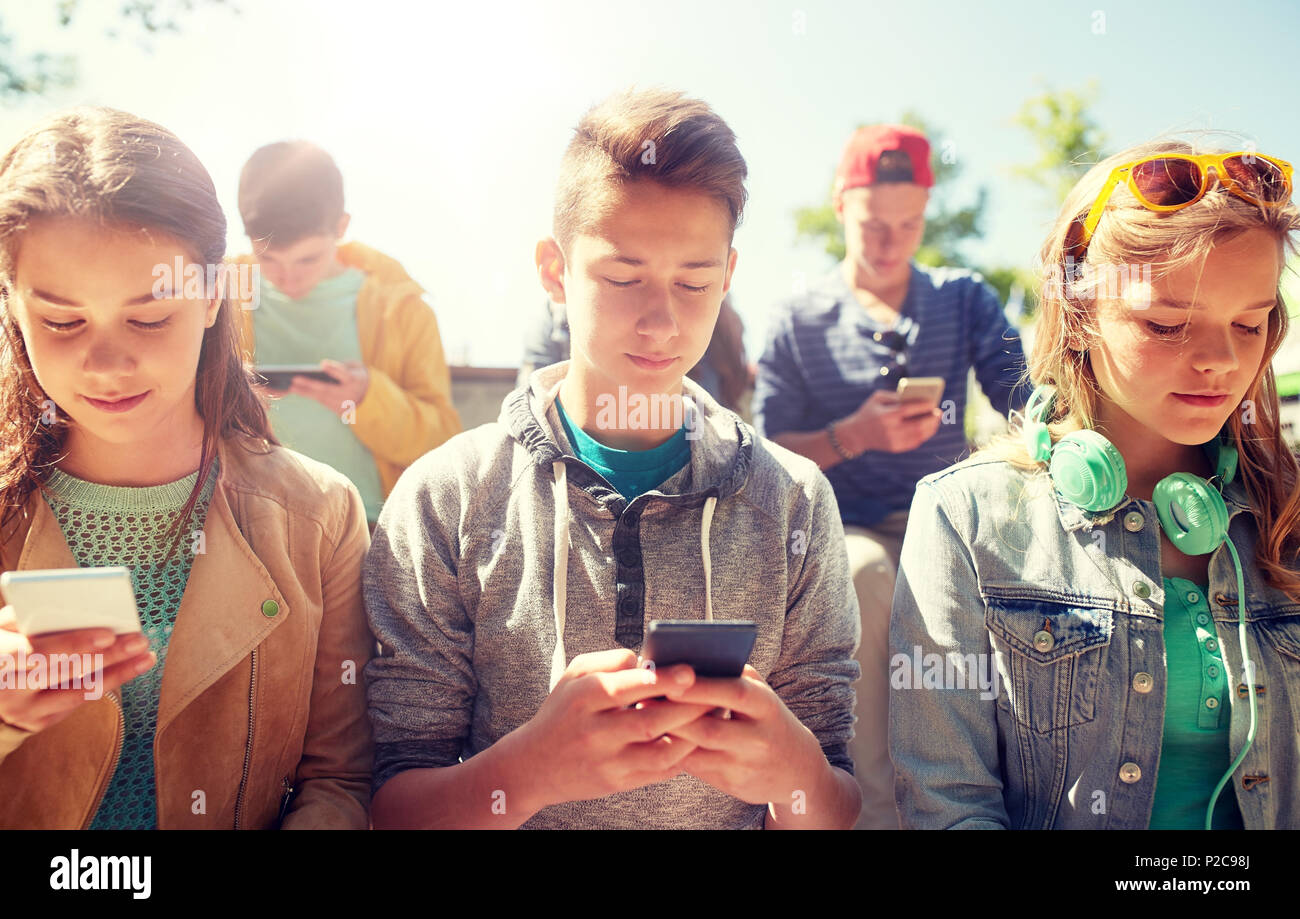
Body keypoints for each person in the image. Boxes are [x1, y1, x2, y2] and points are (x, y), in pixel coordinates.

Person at [363, 87, 862, 829]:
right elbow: (392, 805)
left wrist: (796, 777)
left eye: (694, 283)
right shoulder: (446, 498)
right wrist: (525, 773)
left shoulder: (792, 500)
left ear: (728, 276)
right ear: (554, 270)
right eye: (623, 278)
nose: (661, 320)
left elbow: (836, 799)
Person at [890, 138, 1300, 829]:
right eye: (1167, 324)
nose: (1222, 362)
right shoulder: (964, 514)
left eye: (1249, 323)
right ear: (1078, 312)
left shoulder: (1287, 512)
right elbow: (947, 804)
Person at [0, 108, 374, 829]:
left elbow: (340, 780)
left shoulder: (322, 515)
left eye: (148, 318)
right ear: (12, 308)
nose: (108, 364)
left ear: (211, 294)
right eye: (62, 321)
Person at [753, 123, 1031, 828]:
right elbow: (770, 451)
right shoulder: (798, 317)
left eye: (908, 224)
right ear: (841, 206)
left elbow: (1027, 401)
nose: (890, 242)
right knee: (867, 574)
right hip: (851, 524)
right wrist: (855, 435)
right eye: (875, 224)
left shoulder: (962, 298)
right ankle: (877, 815)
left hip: (953, 518)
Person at [230, 141, 462, 526]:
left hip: (371, 528)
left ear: (342, 227)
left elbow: (444, 443)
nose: (287, 277)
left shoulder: (403, 307)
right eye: (267, 258)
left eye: (307, 259)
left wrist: (367, 399)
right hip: (250, 528)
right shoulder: (217, 297)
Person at [518, 294, 755, 413]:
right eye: (622, 280)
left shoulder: (721, 327)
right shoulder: (556, 319)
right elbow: (533, 405)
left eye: (692, 284)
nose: (659, 330)